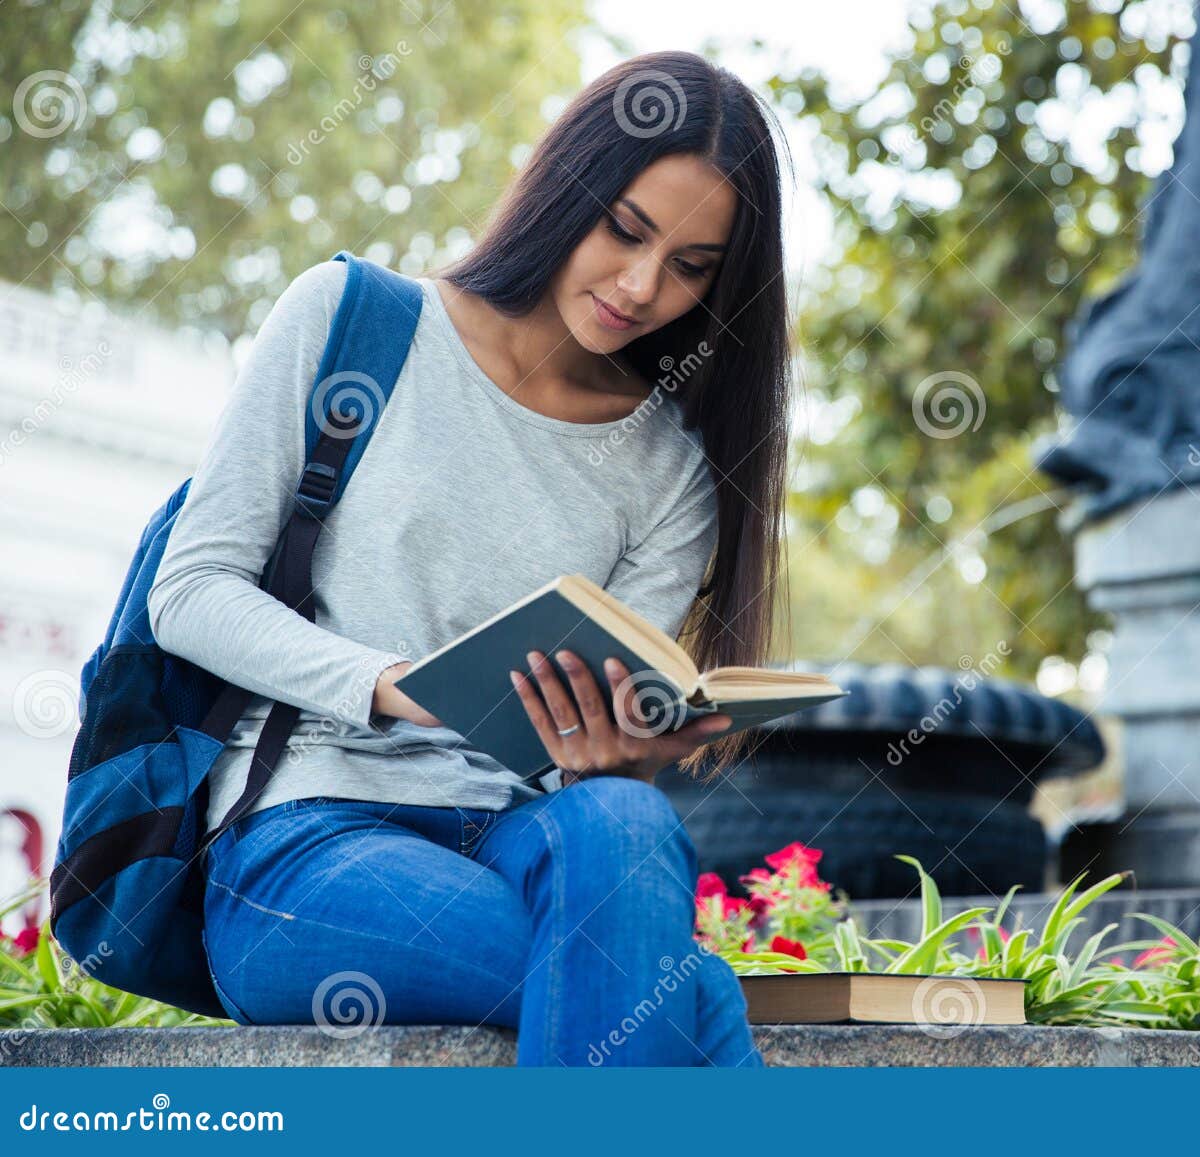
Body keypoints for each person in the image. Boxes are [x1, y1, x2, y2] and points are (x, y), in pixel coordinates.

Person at [146, 50, 794, 1067]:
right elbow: (189, 592)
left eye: (691, 266)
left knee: (624, 815)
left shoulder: (670, 470)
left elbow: (573, 763)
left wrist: (614, 748)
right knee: (685, 990)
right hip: (304, 842)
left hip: (514, 839)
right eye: (625, 231)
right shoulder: (353, 321)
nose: (641, 286)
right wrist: (395, 684)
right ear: (566, 189)